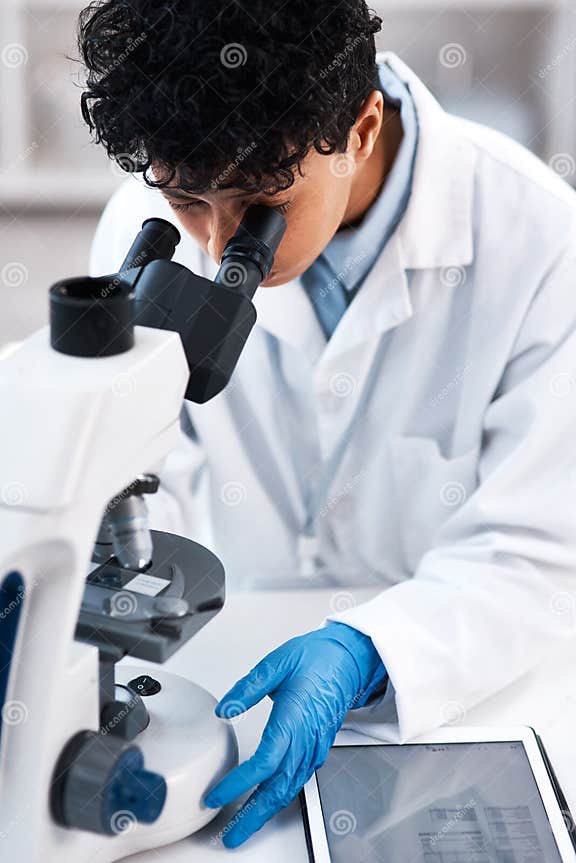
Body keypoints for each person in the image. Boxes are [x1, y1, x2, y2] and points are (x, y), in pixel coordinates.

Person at [81, 0, 576, 849]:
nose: (215, 242)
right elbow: (149, 484)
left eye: (258, 207)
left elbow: (540, 546)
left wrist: (371, 648)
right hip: (222, 672)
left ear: (360, 127)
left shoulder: (539, 238)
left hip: (451, 694)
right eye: (185, 199)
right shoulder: (142, 230)